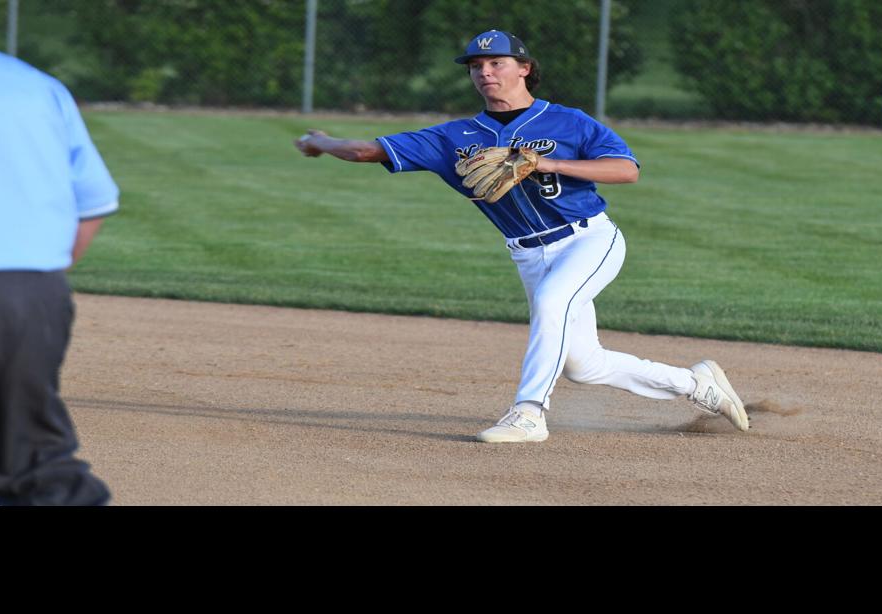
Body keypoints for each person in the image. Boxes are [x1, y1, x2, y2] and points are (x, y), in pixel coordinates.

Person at [293, 29, 749, 443]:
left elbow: (626, 170)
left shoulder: (568, 122)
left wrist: (548, 163)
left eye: (496, 63)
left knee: (553, 304)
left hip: (588, 240)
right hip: (529, 256)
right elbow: (367, 150)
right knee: (583, 365)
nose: (485, 72)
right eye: (476, 66)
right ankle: (696, 384)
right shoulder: (455, 137)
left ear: (524, 69)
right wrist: (322, 142)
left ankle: (529, 413)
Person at [0, 48, 119, 506]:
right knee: (36, 465)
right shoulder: (33, 84)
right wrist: (30, 285)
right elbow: (94, 204)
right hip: (27, 291)